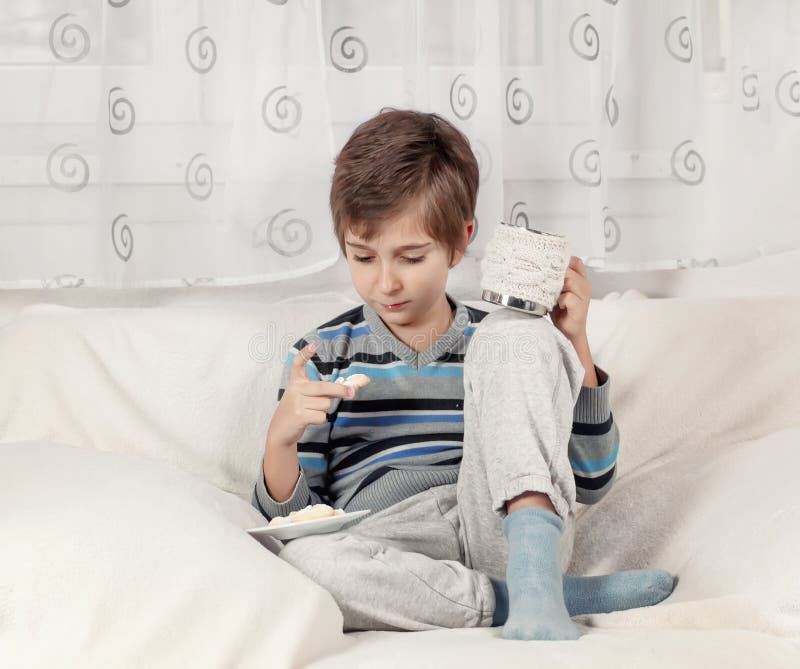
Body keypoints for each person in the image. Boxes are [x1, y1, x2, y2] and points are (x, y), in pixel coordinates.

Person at [251, 109, 676, 640]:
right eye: (363, 257)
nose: (385, 283)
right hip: (390, 540)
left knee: (514, 330)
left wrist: (574, 344)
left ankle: (532, 574)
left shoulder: (498, 340)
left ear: (459, 240)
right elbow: (296, 519)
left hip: (504, 525)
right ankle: (535, 598)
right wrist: (280, 441)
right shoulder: (322, 354)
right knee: (308, 564)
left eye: (410, 257)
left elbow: (590, 481)